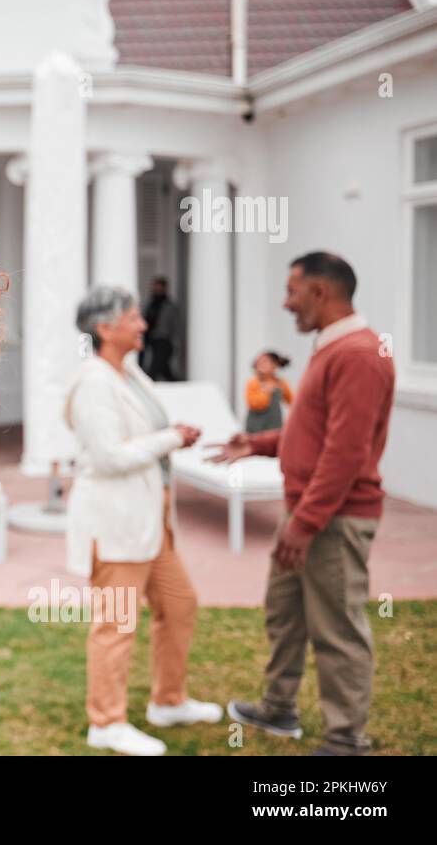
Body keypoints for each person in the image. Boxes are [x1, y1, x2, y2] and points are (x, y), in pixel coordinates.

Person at [210, 252, 394, 756]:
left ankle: (346, 741)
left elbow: (345, 451)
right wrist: (259, 443)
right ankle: (278, 708)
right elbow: (313, 432)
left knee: (337, 627)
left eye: (291, 291)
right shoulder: (331, 347)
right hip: (309, 513)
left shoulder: (359, 354)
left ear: (319, 292)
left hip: (333, 518)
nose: (285, 303)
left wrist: (305, 523)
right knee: (285, 613)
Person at [66, 285, 221, 756]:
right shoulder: (94, 382)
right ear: (104, 327)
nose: (144, 324)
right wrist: (172, 438)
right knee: (116, 625)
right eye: (133, 317)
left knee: (180, 605)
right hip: (116, 525)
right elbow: (109, 456)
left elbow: (141, 438)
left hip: (153, 524)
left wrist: (171, 436)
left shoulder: (130, 374)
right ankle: (106, 723)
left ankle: (168, 701)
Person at [140, 276, 181, 381]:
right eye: (155, 287)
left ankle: (149, 383)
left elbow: (175, 326)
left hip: (163, 340)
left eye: (159, 287)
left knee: (156, 367)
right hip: (150, 338)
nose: (157, 290)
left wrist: (175, 343)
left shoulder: (169, 306)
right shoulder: (150, 304)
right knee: (163, 369)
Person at [244, 350, 294, 433]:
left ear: (275, 365)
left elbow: (293, 401)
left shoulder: (280, 383)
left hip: (275, 427)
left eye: (265, 362)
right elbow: (253, 404)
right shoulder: (253, 383)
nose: (262, 364)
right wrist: (265, 393)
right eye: (259, 362)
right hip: (256, 429)